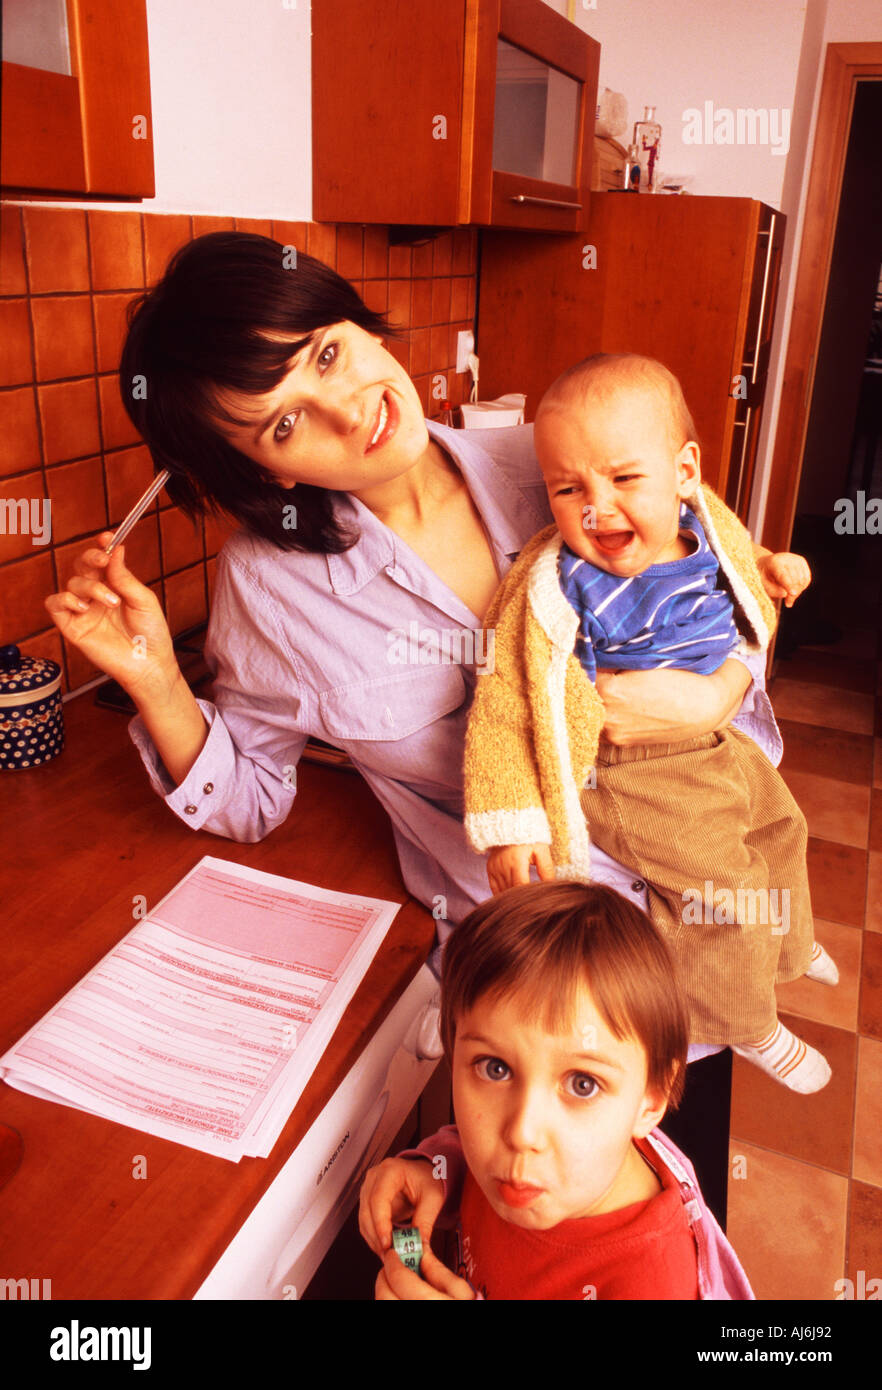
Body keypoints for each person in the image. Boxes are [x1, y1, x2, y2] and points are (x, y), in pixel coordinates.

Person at [463, 355, 837, 1093]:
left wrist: (772, 567)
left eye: (624, 479)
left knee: (782, 830)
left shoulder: (703, 525)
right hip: (635, 775)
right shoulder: (557, 585)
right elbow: (503, 702)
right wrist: (510, 824)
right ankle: (746, 1024)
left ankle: (788, 951)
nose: (596, 510)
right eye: (568, 489)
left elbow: (740, 562)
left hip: (718, 742)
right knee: (725, 896)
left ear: (684, 471)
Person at [359, 880, 755, 1300]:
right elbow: (468, 1160)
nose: (521, 1132)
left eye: (583, 1084)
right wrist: (437, 1172)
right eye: (495, 1068)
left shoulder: (656, 1286)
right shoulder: (529, 1168)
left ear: (651, 1099)